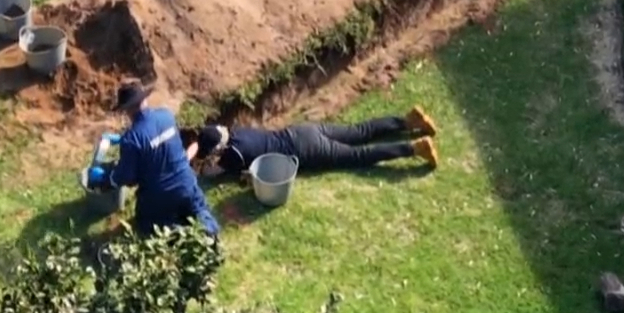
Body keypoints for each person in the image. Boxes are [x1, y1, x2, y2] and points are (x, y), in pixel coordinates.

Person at [182, 108, 440, 179]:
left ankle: (415, 148)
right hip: (302, 131)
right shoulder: (236, 132)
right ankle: (407, 121)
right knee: (360, 130)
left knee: (359, 156)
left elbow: (211, 172)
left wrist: (198, 164)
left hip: (305, 151)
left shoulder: (233, 156)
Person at [109, 81, 219, 238]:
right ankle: (209, 230)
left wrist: (109, 178)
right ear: (144, 100)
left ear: (127, 109)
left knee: (147, 224)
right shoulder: (166, 115)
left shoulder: (131, 139)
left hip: (160, 196)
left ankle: (184, 233)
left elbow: (127, 177)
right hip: (186, 182)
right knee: (198, 209)